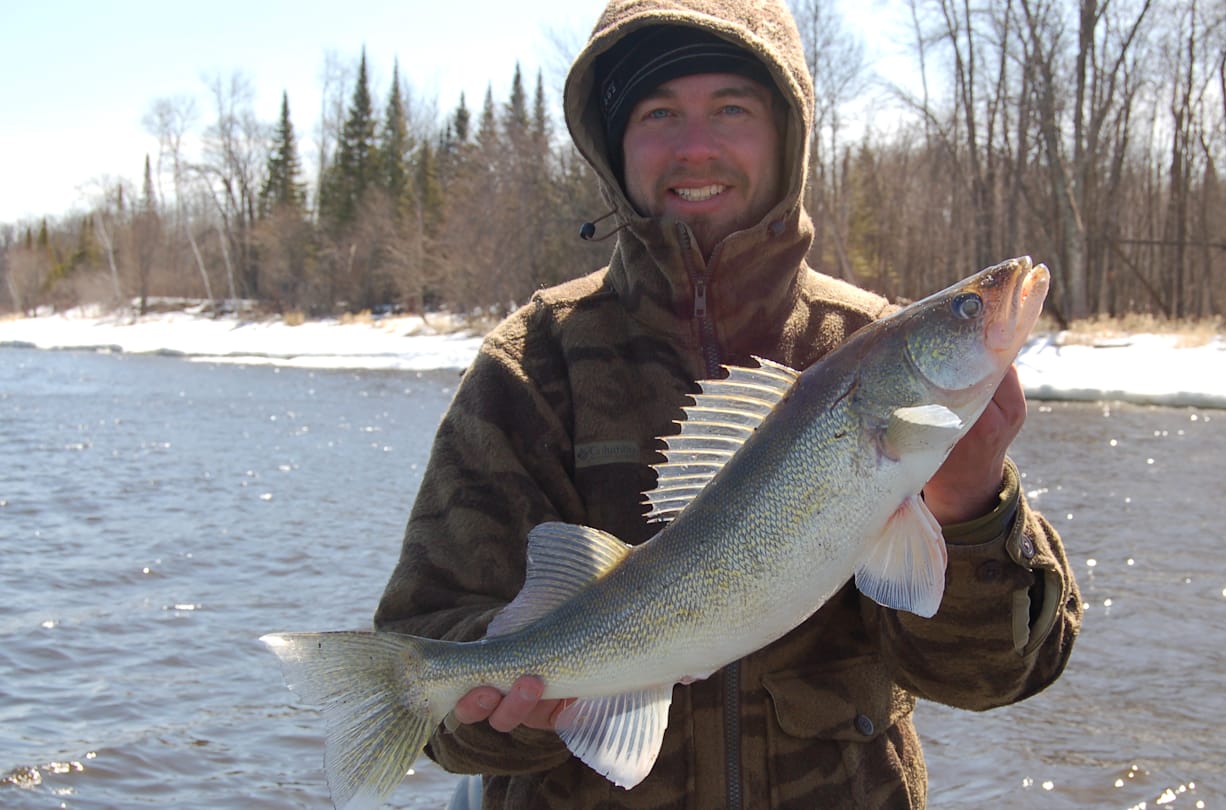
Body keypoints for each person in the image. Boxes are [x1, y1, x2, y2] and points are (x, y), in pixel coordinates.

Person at [374, 0, 1082, 806]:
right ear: (616, 144)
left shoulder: (865, 349)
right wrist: (503, 703)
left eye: (732, 109)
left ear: (787, 133)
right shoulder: (534, 363)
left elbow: (997, 675)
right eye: (658, 112)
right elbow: (425, 653)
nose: (696, 145)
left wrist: (971, 509)